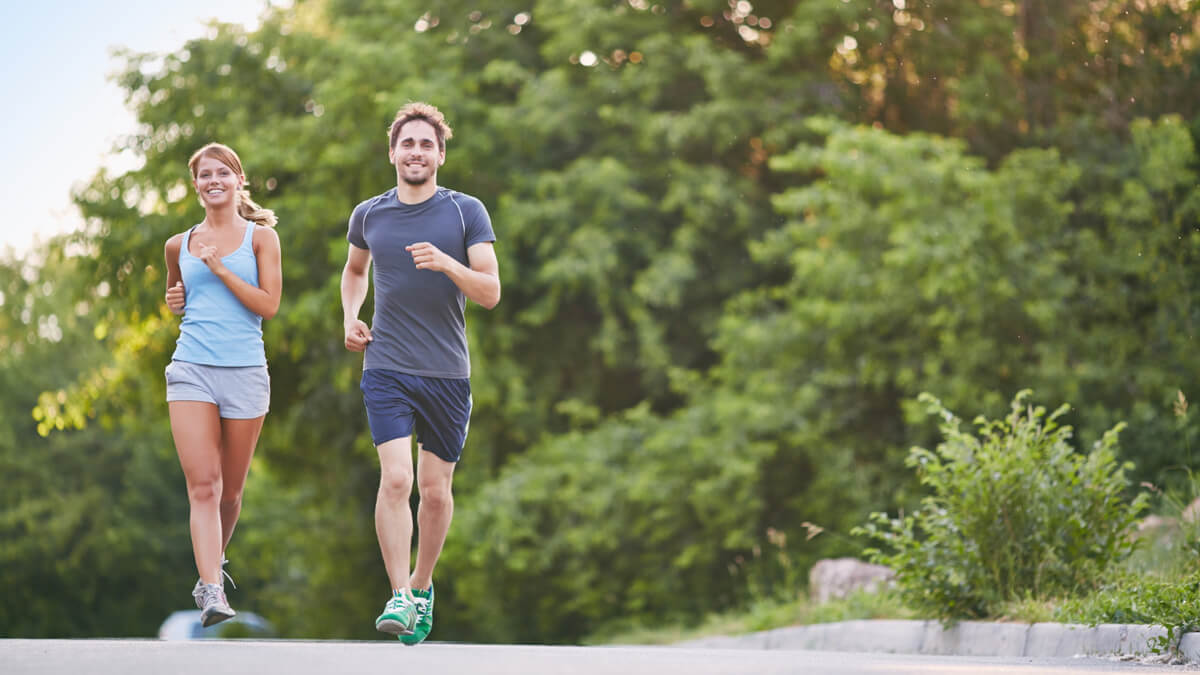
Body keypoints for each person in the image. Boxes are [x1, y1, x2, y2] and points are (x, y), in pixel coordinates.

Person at [341, 102, 500, 644]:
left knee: (434, 492)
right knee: (397, 479)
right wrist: (350, 316)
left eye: (425, 144)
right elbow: (355, 270)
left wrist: (448, 263)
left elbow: (491, 292)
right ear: (393, 153)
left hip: (448, 374)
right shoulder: (369, 214)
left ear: (440, 154)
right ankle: (400, 597)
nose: (415, 152)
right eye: (407, 143)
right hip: (386, 366)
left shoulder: (465, 213)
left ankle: (423, 583)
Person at [163, 143, 282, 627]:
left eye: (222, 173)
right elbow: (176, 293)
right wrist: (174, 299)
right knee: (204, 487)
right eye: (204, 175)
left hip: (246, 372)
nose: (214, 180)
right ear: (196, 186)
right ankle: (211, 588)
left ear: (238, 179)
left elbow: (268, 305)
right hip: (191, 367)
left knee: (231, 493)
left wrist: (218, 268)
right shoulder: (178, 244)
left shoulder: (262, 239)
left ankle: (213, 565)